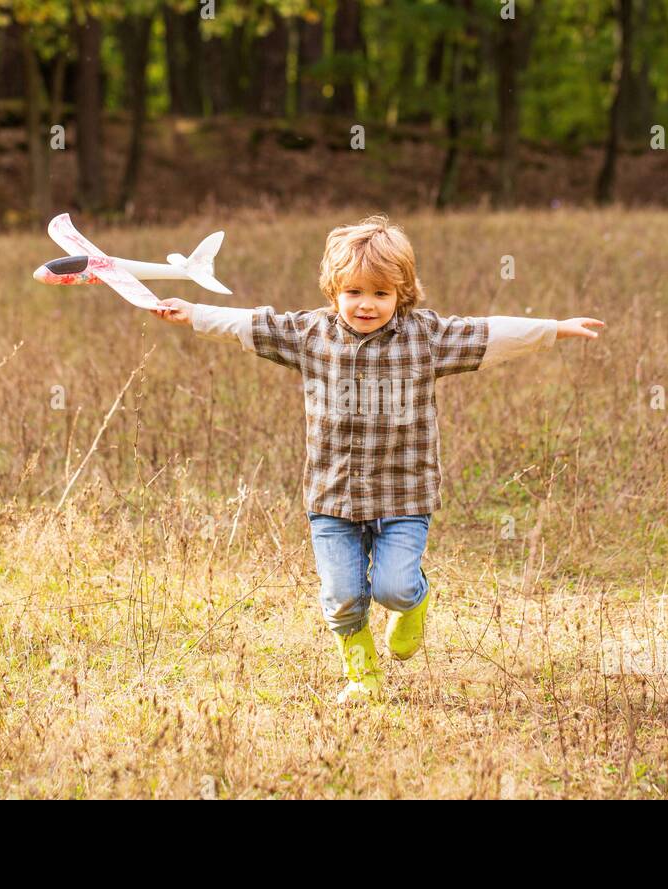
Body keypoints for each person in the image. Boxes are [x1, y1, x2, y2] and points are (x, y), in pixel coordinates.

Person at [155, 215, 604, 704]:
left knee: (393, 589)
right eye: (353, 293)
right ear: (333, 291)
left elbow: (488, 334)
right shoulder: (310, 334)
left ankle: (414, 602)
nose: (366, 305)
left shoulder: (424, 337)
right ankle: (362, 677)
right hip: (332, 496)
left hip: (404, 496)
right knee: (342, 597)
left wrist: (555, 328)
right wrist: (194, 311)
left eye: (381, 294)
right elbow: (250, 323)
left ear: (402, 294)